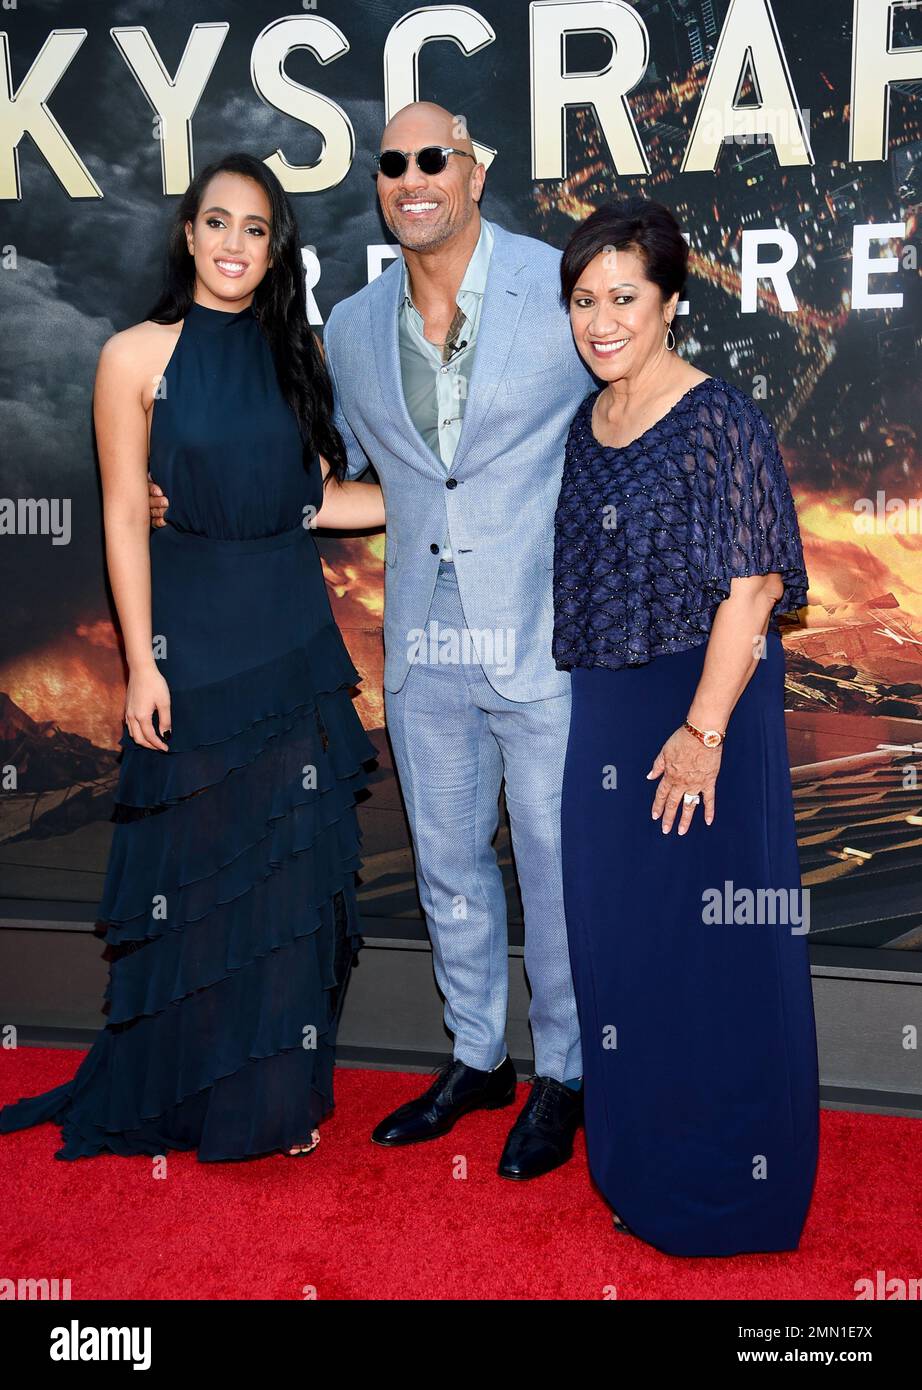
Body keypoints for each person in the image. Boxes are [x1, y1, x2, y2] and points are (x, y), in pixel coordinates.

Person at [150, 103, 600, 1180]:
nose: (411, 177)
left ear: (473, 170)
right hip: (422, 645)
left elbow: (631, 404)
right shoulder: (349, 327)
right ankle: (477, 1054)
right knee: (447, 864)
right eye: (391, 163)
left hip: (540, 636)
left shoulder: (557, 285)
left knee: (551, 868)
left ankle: (569, 1074)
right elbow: (332, 477)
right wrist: (215, 497)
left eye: (431, 157)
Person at [0, 153, 383, 1162]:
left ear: (275, 247)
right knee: (208, 878)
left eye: (255, 229)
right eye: (217, 222)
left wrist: (448, 495)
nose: (232, 244)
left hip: (294, 639)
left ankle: (274, 1100)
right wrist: (143, 663)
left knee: (290, 885)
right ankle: (195, 1091)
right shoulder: (132, 356)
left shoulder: (297, 350)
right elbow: (125, 515)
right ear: (187, 232)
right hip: (195, 644)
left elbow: (314, 500)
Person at [554, 198, 819, 1255]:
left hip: (702, 706)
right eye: (584, 300)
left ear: (669, 301)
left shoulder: (720, 419)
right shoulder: (591, 420)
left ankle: (729, 1189)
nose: (602, 319)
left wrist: (701, 731)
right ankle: (641, 1159)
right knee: (622, 944)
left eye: (624, 296)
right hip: (609, 709)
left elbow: (752, 590)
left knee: (711, 945)